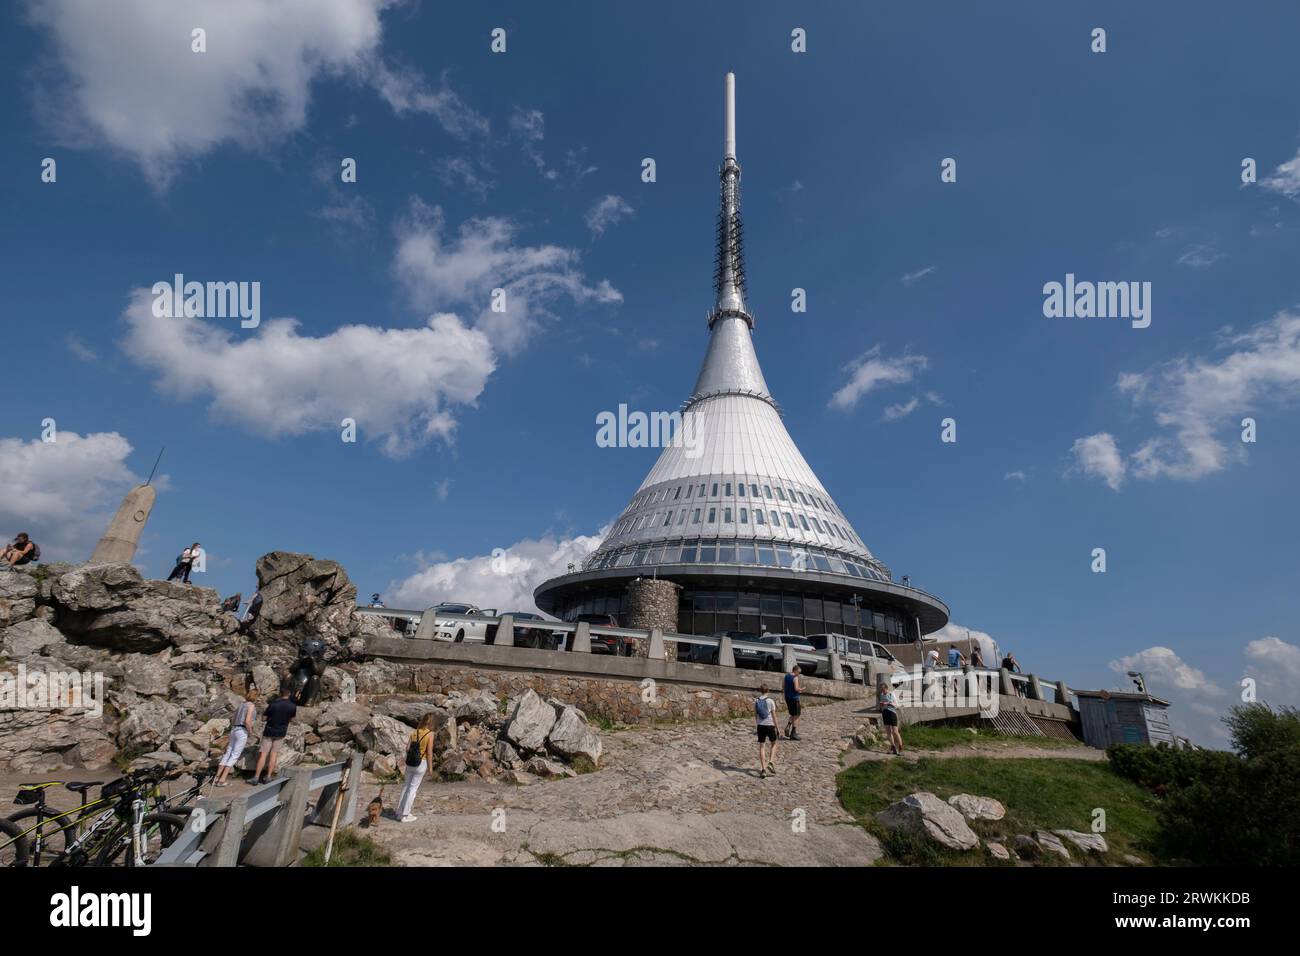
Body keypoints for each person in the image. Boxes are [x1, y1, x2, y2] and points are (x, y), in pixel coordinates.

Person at [397, 713, 437, 822]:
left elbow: (407, 748)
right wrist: (430, 768)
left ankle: (399, 813)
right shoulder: (430, 734)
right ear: (432, 723)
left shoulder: (414, 732)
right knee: (413, 789)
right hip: (421, 762)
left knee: (406, 787)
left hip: (410, 763)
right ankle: (405, 815)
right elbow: (429, 753)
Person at [252, 686, 296, 785]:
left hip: (269, 730)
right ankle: (268, 776)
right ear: (289, 695)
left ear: (280, 694)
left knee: (263, 753)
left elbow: (264, 718)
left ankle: (256, 777)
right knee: (274, 754)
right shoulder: (292, 706)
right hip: (281, 732)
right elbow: (292, 719)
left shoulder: (274, 704)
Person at [214, 688, 258, 786]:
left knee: (228, 753)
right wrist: (250, 732)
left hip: (234, 729)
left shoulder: (241, 705)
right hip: (242, 731)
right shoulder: (251, 706)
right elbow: (247, 721)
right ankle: (222, 779)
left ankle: (216, 778)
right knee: (235, 755)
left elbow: (233, 718)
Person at [754, 684, 780, 778]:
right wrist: (777, 728)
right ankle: (771, 762)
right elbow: (774, 716)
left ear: (760, 690)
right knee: (774, 743)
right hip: (770, 725)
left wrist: (758, 724)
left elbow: (756, 714)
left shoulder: (756, 700)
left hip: (760, 725)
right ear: (768, 690)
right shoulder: (770, 701)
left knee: (762, 746)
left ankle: (763, 769)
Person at [879, 681, 903, 755]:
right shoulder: (882, 694)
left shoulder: (891, 694)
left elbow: (896, 705)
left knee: (895, 732)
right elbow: (881, 704)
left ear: (886, 688)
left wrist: (888, 703)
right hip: (885, 713)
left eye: (883, 689)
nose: (882, 691)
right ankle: (893, 748)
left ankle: (900, 748)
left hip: (892, 713)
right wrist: (882, 705)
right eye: (881, 689)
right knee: (888, 732)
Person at [782, 664, 803, 740]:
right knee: (797, 715)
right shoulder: (795, 678)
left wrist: (785, 695)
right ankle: (793, 733)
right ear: (795, 670)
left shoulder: (786, 676)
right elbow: (796, 688)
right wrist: (801, 689)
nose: (799, 674)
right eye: (799, 672)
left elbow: (783, 686)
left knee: (792, 714)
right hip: (794, 699)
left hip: (788, 698)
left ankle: (788, 726)